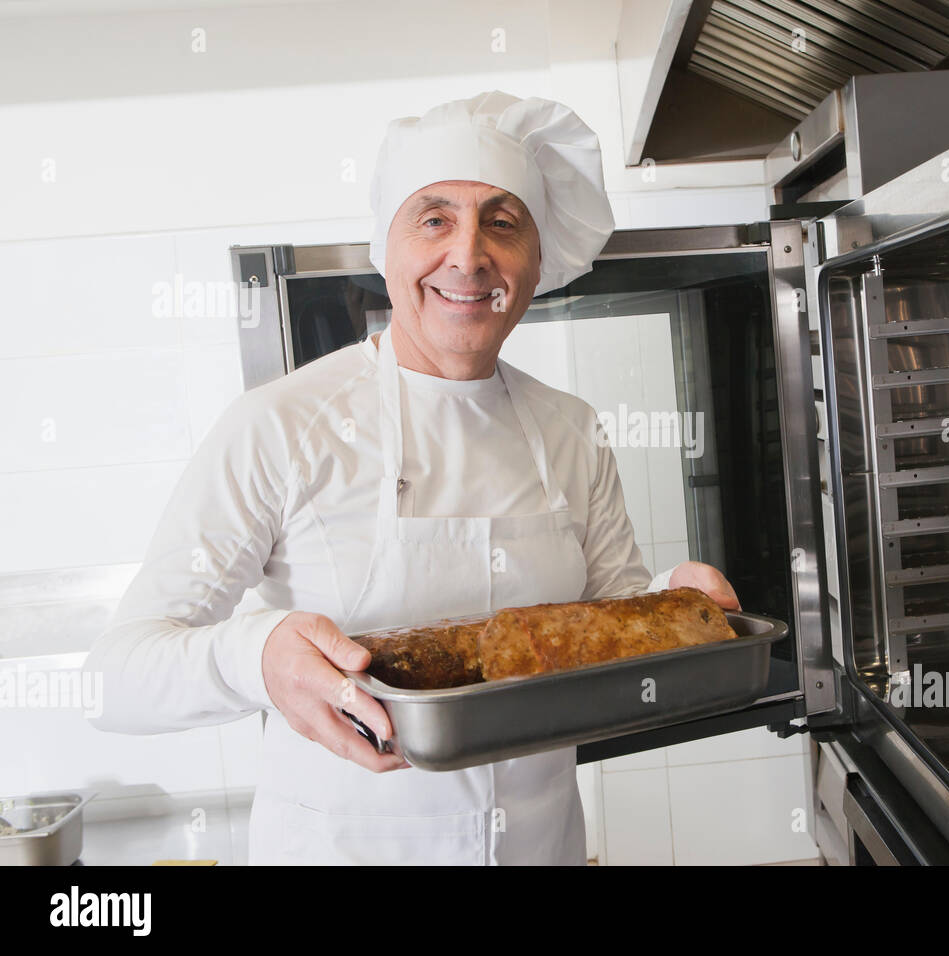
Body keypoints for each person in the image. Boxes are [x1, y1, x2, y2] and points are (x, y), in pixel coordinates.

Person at [84, 90, 739, 865]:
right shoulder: (280, 426)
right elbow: (114, 679)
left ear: (538, 256)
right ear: (385, 247)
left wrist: (674, 604)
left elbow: (608, 633)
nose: (468, 255)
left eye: (502, 221)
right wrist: (255, 656)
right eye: (434, 219)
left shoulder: (571, 430)